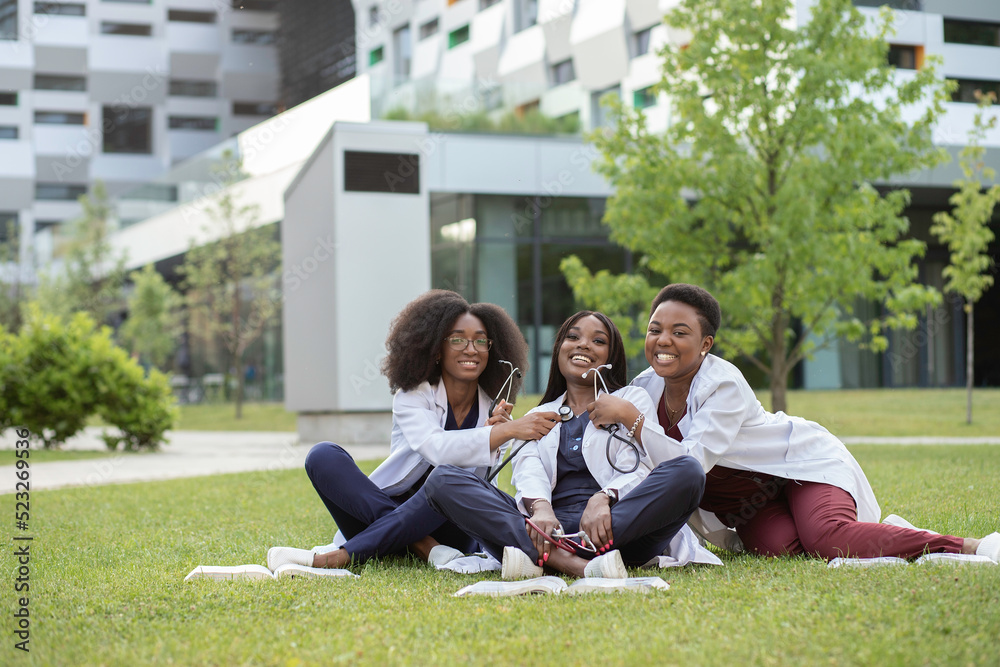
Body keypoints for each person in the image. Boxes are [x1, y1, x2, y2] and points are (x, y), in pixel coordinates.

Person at [592, 283, 1000, 562]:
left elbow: (689, 466)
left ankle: (966, 547)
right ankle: (884, 535)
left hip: (799, 469)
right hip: (755, 503)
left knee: (827, 537)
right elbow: (626, 458)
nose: (662, 341)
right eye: (654, 329)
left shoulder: (723, 384)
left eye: (679, 332)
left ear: (705, 344)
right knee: (778, 548)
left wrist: (635, 420)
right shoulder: (645, 387)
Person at [267, 290, 559, 572]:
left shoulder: (493, 409)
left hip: (449, 525)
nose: (471, 349)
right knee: (322, 455)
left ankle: (342, 557)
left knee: (444, 484)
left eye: (481, 341)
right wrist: (504, 433)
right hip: (384, 511)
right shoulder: (413, 395)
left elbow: (471, 485)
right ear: (435, 348)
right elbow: (435, 447)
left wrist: (495, 435)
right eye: (457, 339)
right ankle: (424, 547)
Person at [424, 311, 710, 579]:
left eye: (598, 341)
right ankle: (573, 563)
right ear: (559, 348)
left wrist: (605, 497)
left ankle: (543, 557)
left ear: (611, 357)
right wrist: (541, 509)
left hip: (616, 528)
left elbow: (650, 466)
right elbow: (528, 471)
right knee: (443, 478)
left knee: (688, 471)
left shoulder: (629, 400)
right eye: (573, 337)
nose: (583, 345)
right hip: (549, 527)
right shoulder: (537, 416)